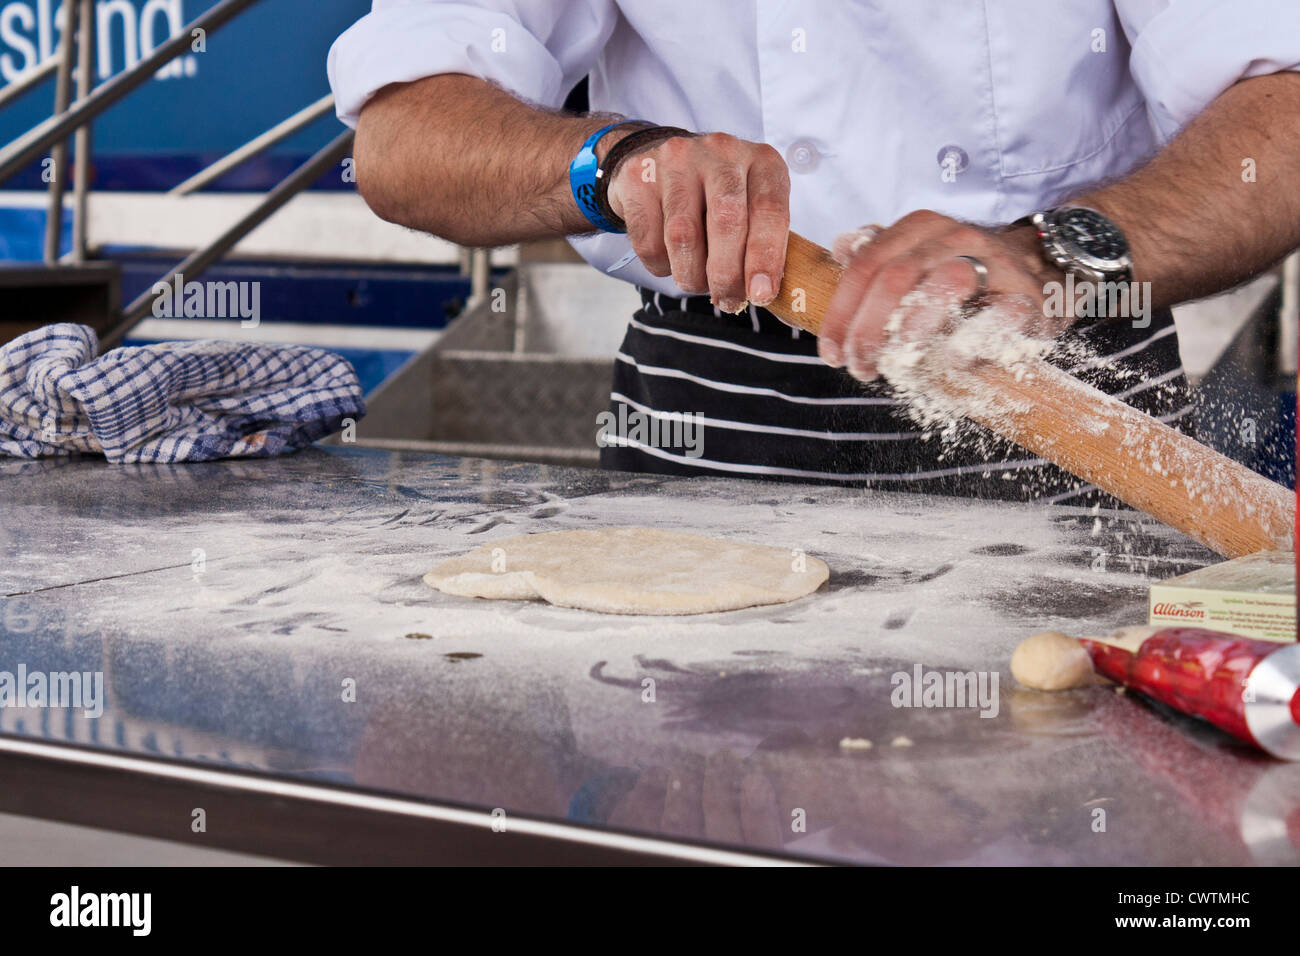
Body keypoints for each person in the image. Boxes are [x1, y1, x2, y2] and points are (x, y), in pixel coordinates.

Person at [328, 1, 1300, 502]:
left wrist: (1055, 255)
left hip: (1066, 393)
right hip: (709, 416)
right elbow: (405, 135)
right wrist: (613, 163)